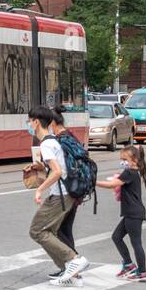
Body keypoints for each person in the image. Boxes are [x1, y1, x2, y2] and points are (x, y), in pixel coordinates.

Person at [27, 106, 90, 286]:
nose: (28, 125)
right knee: (50, 232)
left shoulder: (46, 143)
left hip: (60, 195)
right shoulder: (53, 140)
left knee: (37, 230)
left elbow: (56, 172)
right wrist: (40, 168)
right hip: (66, 194)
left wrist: (39, 190)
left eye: (29, 121)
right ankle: (71, 273)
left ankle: (73, 259)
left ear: (36, 122)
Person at [97, 143, 146, 282]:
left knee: (136, 243)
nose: (122, 162)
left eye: (125, 159)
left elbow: (113, 184)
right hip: (132, 213)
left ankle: (142, 273)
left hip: (133, 213)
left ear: (135, 161)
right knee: (116, 236)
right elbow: (116, 183)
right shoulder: (133, 171)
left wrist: (93, 182)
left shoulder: (130, 172)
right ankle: (128, 264)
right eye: (121, 159)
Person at [49, 107, 80, 277]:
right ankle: (70, 267)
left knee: (58, 230)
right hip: (75, 190)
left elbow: (60, 169)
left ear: (53, 123)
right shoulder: (71, 136)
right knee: (65, 229)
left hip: (66, 191)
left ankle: (74, 264)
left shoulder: (60, 140)